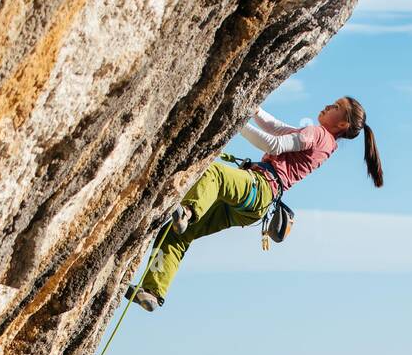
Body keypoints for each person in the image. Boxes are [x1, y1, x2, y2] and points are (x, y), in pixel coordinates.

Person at [126, 96, 383, 311]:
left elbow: (273, 143)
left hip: (259, 188)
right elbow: (276, 127)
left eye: (335, 107)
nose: (327, 106)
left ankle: (189, 212)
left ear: (342, 123)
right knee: (178, 235)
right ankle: (151, 290)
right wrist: (252, 108)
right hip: (253, 209)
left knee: (214, 174)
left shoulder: (317, 134)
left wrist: (236, 121)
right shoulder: (326, 144)